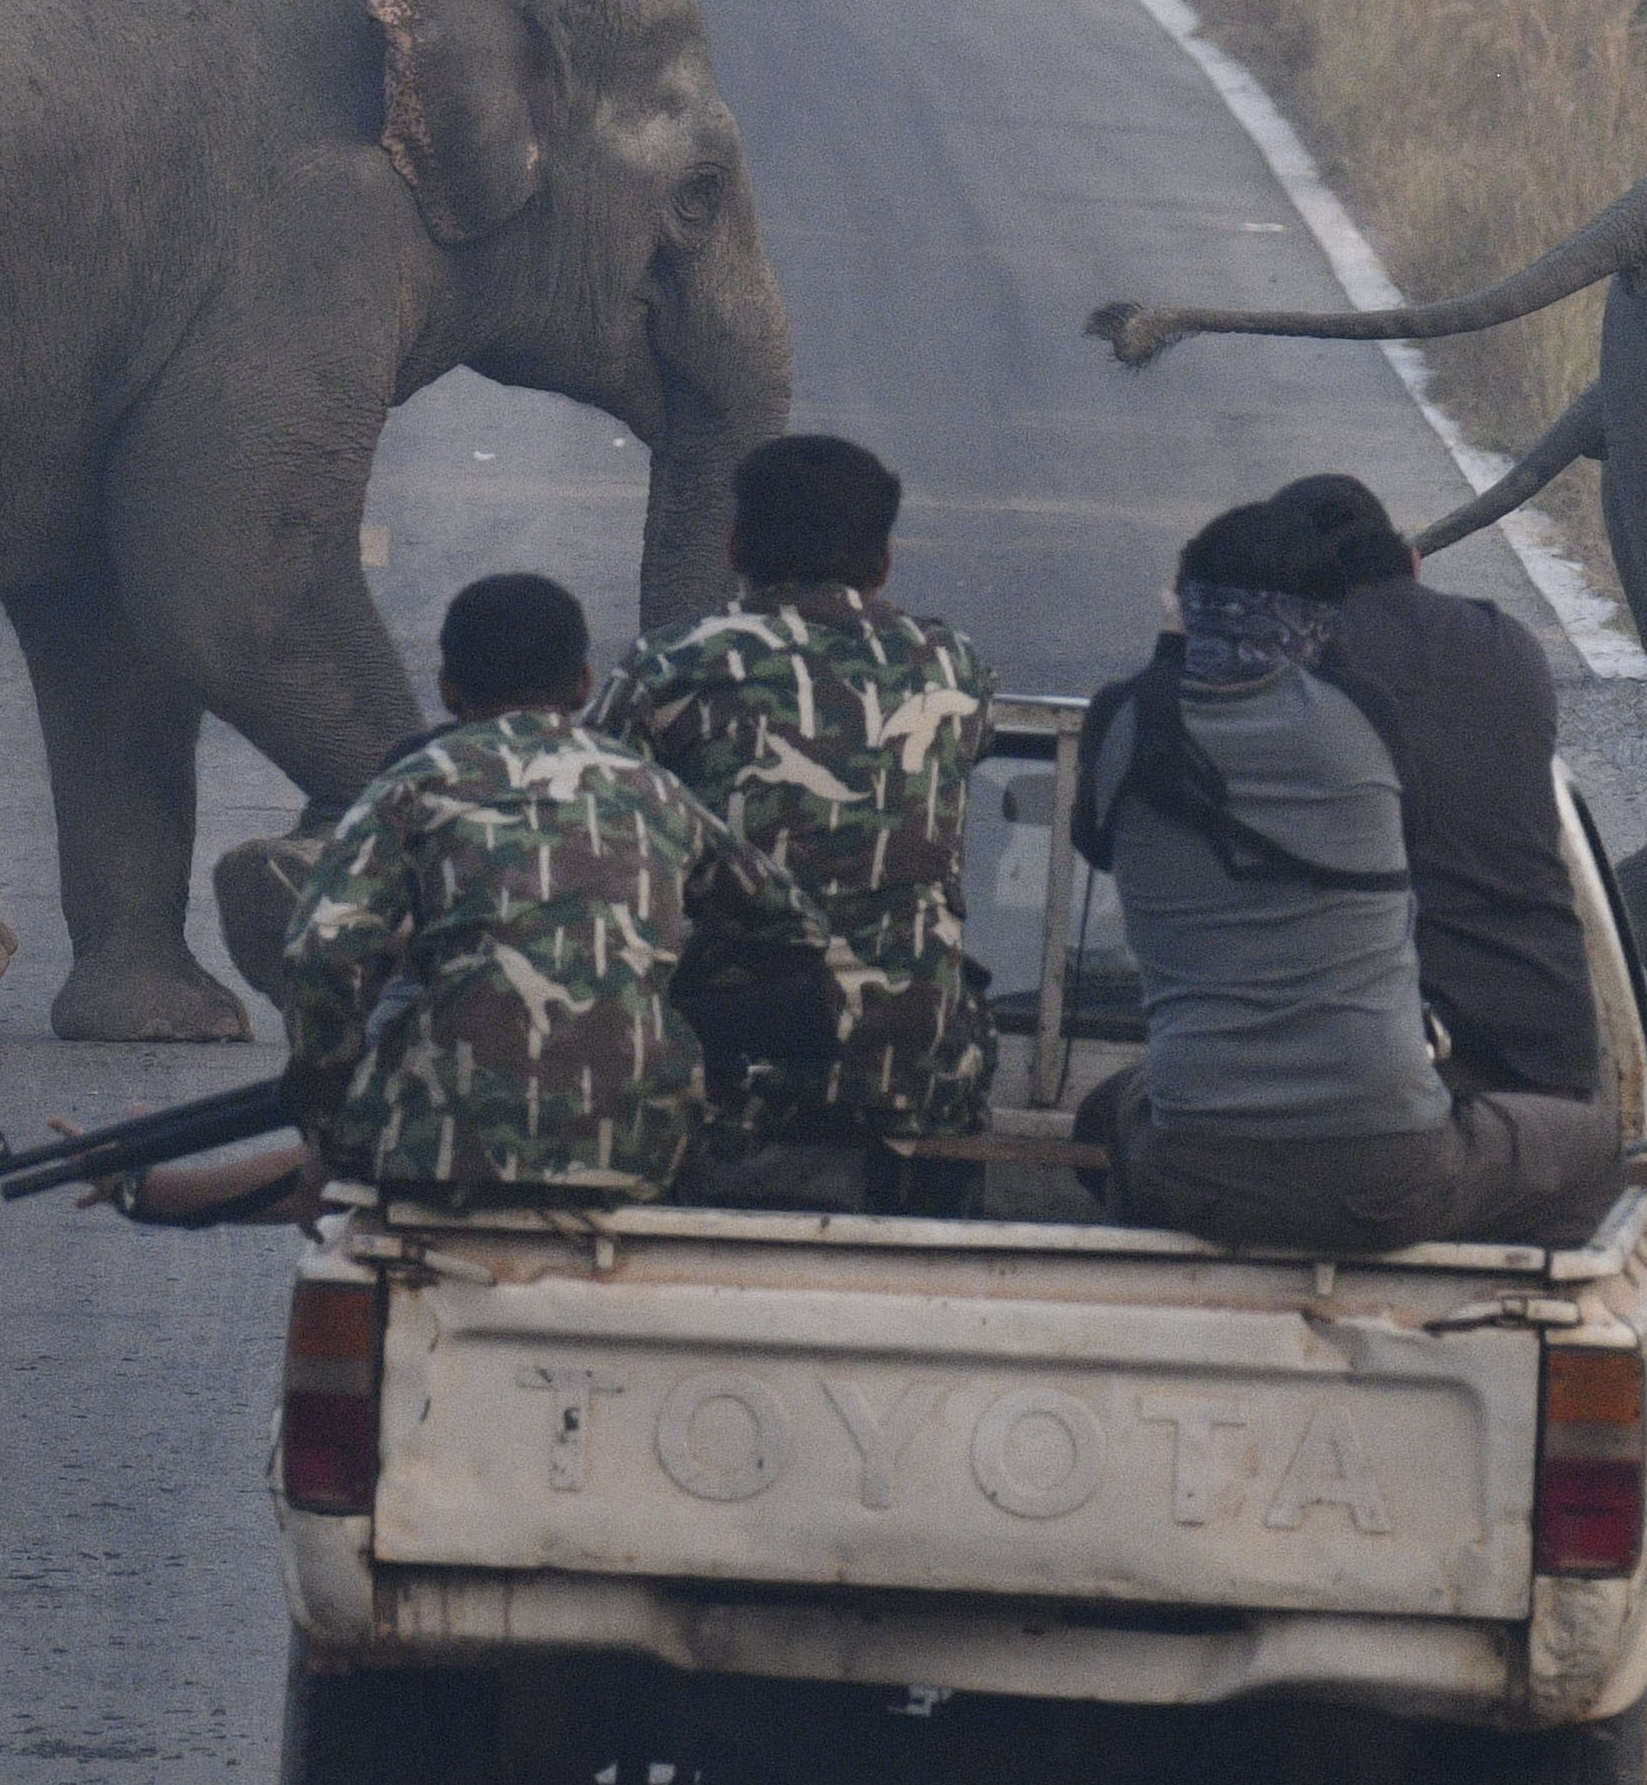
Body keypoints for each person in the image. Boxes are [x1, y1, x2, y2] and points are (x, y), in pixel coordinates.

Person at [1069, 493, 1636, 1255]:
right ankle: (1520, 1280)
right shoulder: (1361, 717)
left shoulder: (1125, 721)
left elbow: (1095, 841)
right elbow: (1411, 845)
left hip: (1193, 1171)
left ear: (1184, 604)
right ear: (1320, 621)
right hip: (1385, 1177)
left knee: (1105, 1115)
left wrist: (1176, 652)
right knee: (1596, 1147)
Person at [139, 569, 780, 1221]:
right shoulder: (655, 791)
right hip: (646, 1151)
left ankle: (151, 1189)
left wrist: (329, 1111)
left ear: (447, 689)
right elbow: (789, 930)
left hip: (438, 1153)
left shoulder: (414, 783)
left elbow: (322, 951)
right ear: (584, 684)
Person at [600, 429, 1003, 1200]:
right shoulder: (952, 664)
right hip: (918, 1075)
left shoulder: (667, 665)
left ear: (735, 546)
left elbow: (601, 829)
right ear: (883, 559)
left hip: (727, 1078)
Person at [1257, 466, 1604, 1107]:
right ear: (1413, 565)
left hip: (1355, 1056)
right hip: (1543, 1051)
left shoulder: (1293, 669)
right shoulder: (1509, 645)